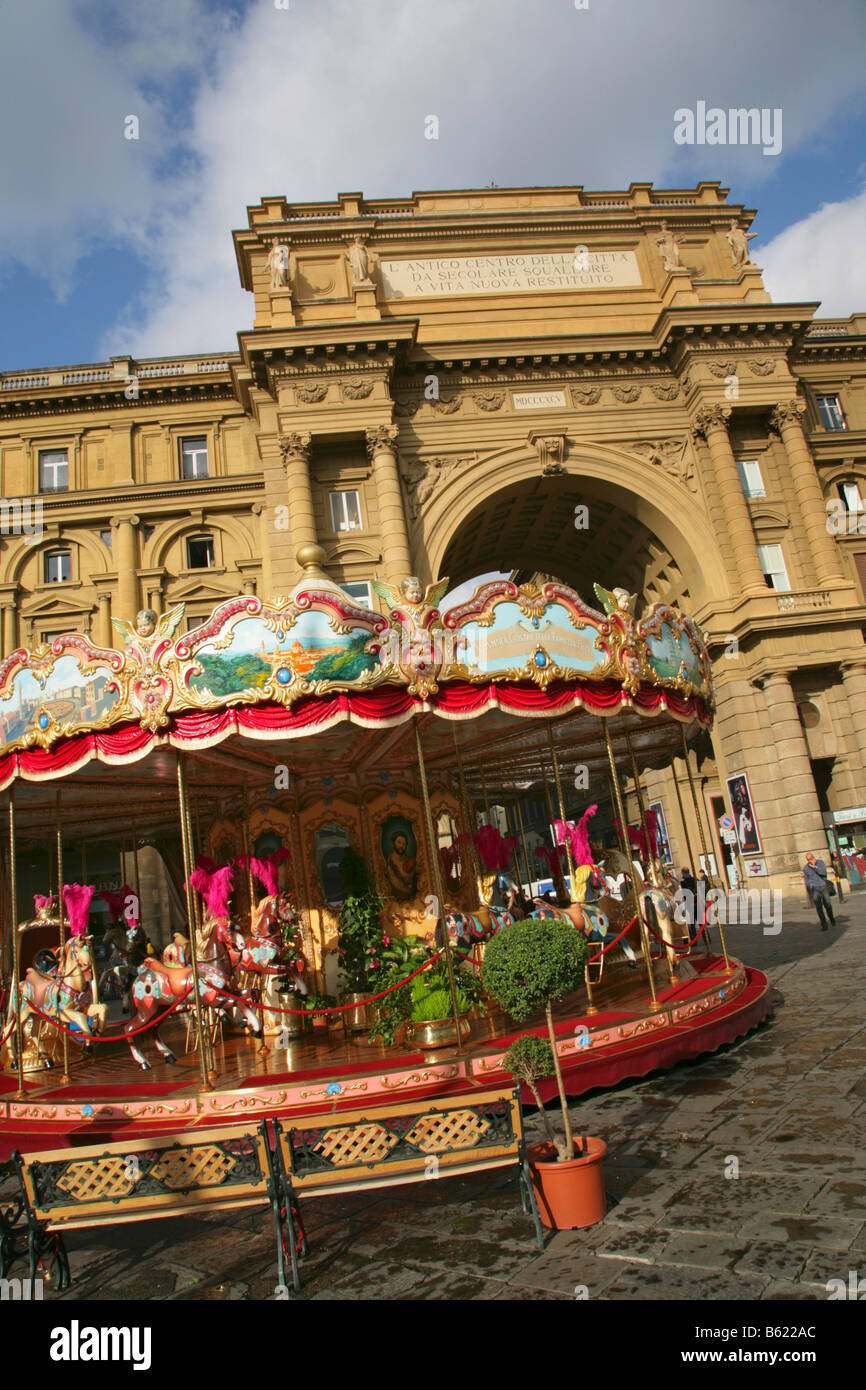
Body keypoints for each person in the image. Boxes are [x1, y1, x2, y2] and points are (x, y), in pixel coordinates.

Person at [803, 852, 835, 931]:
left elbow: (824, 873)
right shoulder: (806, 868)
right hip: (815, 889)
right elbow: (807, 880)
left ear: (814, 857)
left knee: (828, 904)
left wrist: (815, 867)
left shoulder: (820, 863)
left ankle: (831, 918)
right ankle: (824, 924)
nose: (810, 860)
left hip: (823, 886)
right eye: (808, 860)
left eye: (811, 859)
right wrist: (809, 891)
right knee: (819, 908)